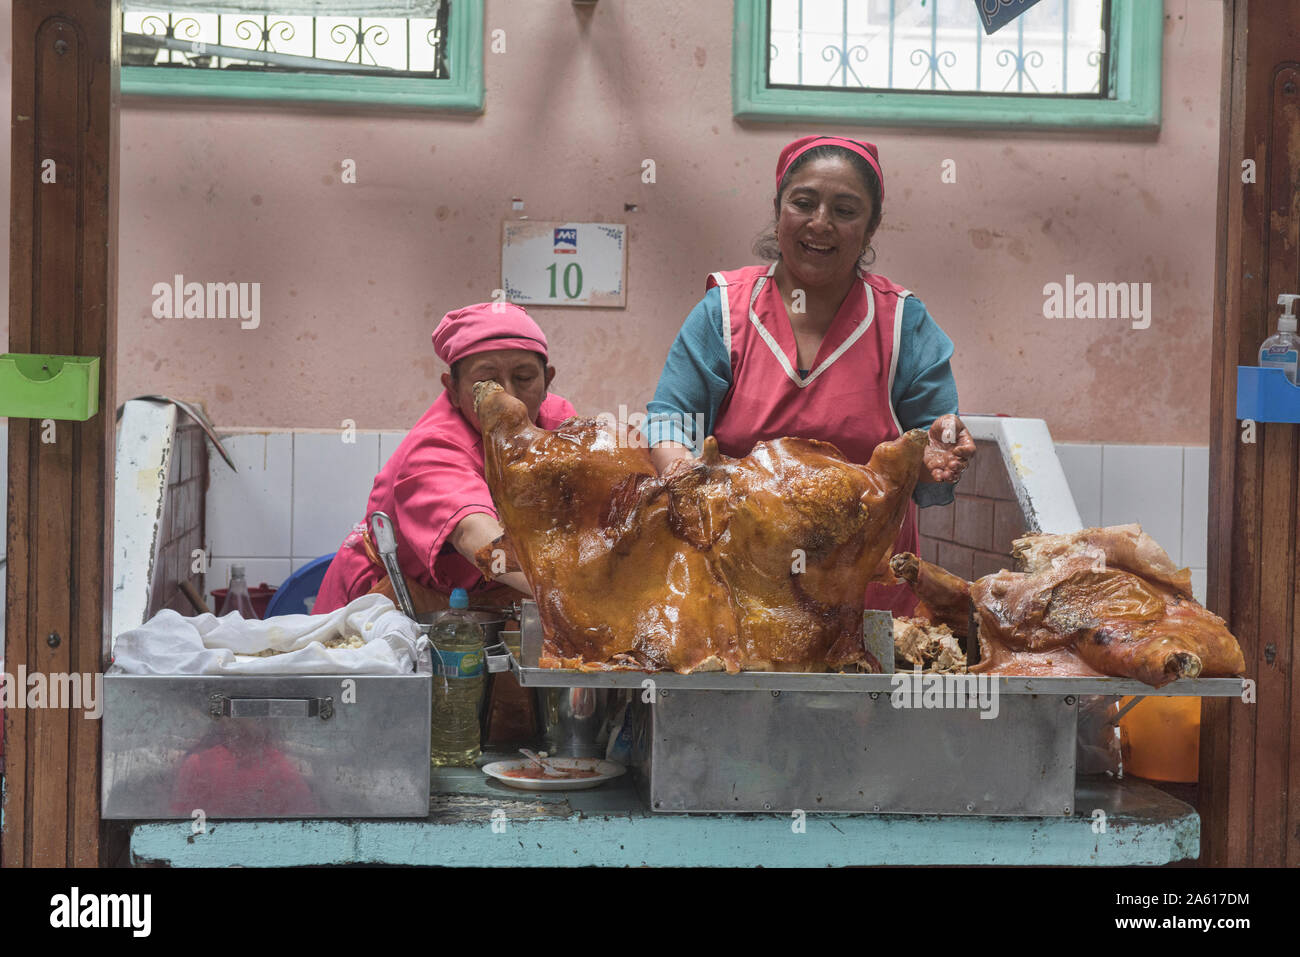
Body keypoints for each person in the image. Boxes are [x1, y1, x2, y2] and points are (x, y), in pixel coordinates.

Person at [646, 134, 975, 615]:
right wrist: (681, 471)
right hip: (739, 580)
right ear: (779, 208)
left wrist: (939, 449)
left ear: (871, 226)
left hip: (866, 589)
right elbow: (670, 417)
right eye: (804, 203)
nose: (820, 224)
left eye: (845, 210)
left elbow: (929, 444)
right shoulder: (726, 311)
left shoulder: (902, 323)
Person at [313, 302, 576, 614]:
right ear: (452, 389)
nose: (508, 396)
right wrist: (569, 589)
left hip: (494, 601)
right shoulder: (435, 448)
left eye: (523, 377)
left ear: (547, 381)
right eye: (487, 383)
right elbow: (473, 533)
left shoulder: (560, 424)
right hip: (394, 605)